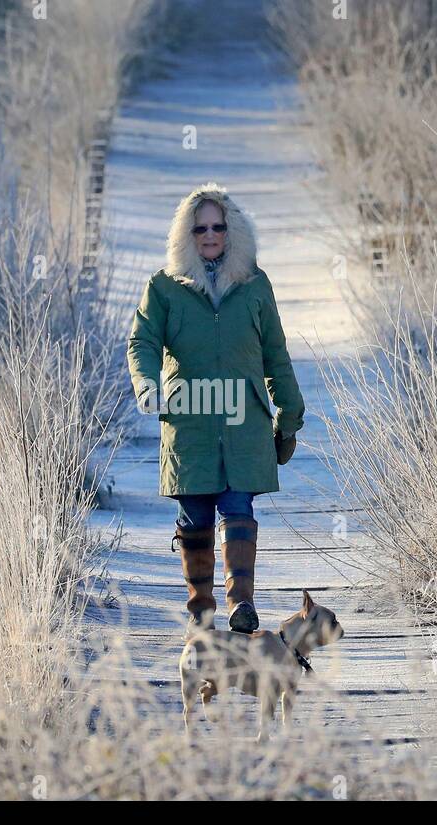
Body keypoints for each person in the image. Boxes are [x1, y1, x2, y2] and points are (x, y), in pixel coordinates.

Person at [127, 182, 304, 637]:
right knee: (196, 517)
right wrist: (147, 385)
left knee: (238, 505)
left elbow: (275, 354)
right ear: (186, 233)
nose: (209, 235)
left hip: (244, 424)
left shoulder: (254, 286)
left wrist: (289, 414)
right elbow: (142, 340)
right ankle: (200, 611)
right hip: (190, 424)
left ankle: (240, 602)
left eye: (217, 227)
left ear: (232, 231)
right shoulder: (164, 289)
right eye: (200, 227)